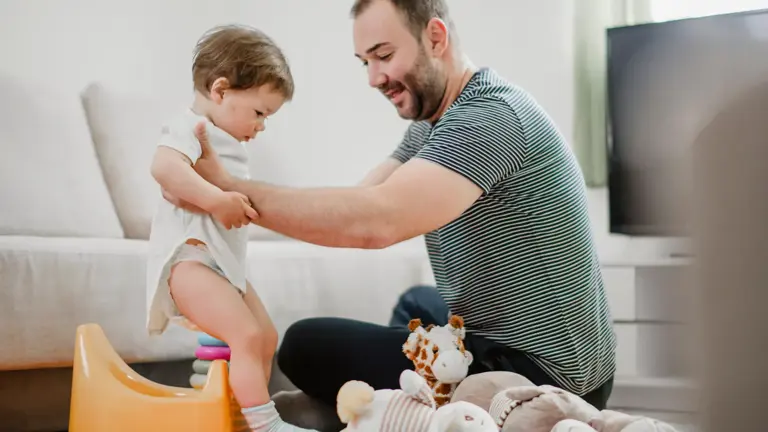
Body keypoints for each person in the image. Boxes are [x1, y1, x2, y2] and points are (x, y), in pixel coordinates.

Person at [167, 0, 617, 411]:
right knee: (416, 303)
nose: (373, 78)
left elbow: (374, 221)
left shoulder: (489, 117)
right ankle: (399, 405)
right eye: (365, 62)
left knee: (304, 345)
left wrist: (225, 187)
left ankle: (385, 409)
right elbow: (363, 196)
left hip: (545, 377)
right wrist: (223, 202)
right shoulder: (435, 120)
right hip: (536, 349)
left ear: (435, 38)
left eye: (384, 56)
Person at [145, 25, 317, 432]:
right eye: (259, 113)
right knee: (245, 336)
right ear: (220, 90)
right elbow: (163, 168)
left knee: (265, 336)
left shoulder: (226, 140)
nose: (261, 126)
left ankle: (244, 418)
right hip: (188, 263)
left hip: (222, 266)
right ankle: (266, 424)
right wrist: (216, 201)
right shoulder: (192, 127)